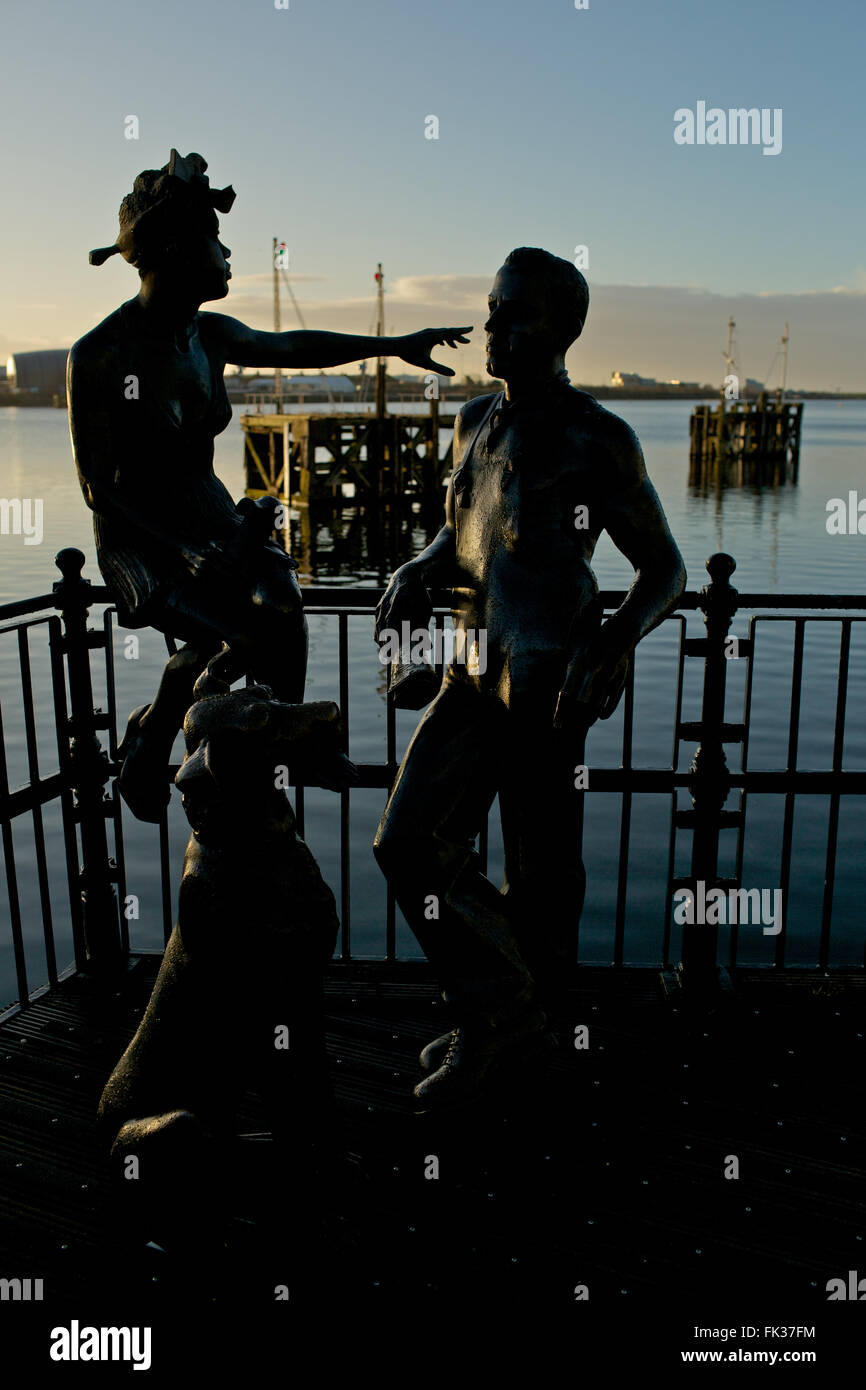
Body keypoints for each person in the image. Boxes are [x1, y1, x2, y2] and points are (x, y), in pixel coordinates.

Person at [68, 149, 470, 819]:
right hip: (144, 539)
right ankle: (161, 731)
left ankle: (291, 739)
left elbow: (292, 346)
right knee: (240, 638)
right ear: (172, 248)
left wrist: (393, 343)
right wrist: (186, 551)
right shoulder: (101, 354)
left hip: (215, 519)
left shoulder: (210, 335)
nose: (227, 256)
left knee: (284, 600)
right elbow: (95, 488)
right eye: (214, 241)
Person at [373, 247, 686, 1106]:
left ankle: (510, 1033)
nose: (493, 325)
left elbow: (665, 568)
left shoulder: (598, 437)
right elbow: (462, 536)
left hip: (546, 681)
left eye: (514, 313)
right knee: (406, 844)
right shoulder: (475, 417)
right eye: (491, 307)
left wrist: (618, 638)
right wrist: (417, 565)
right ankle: (505, 1012)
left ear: (561, 330)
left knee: (542, 879)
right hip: (468, 670)